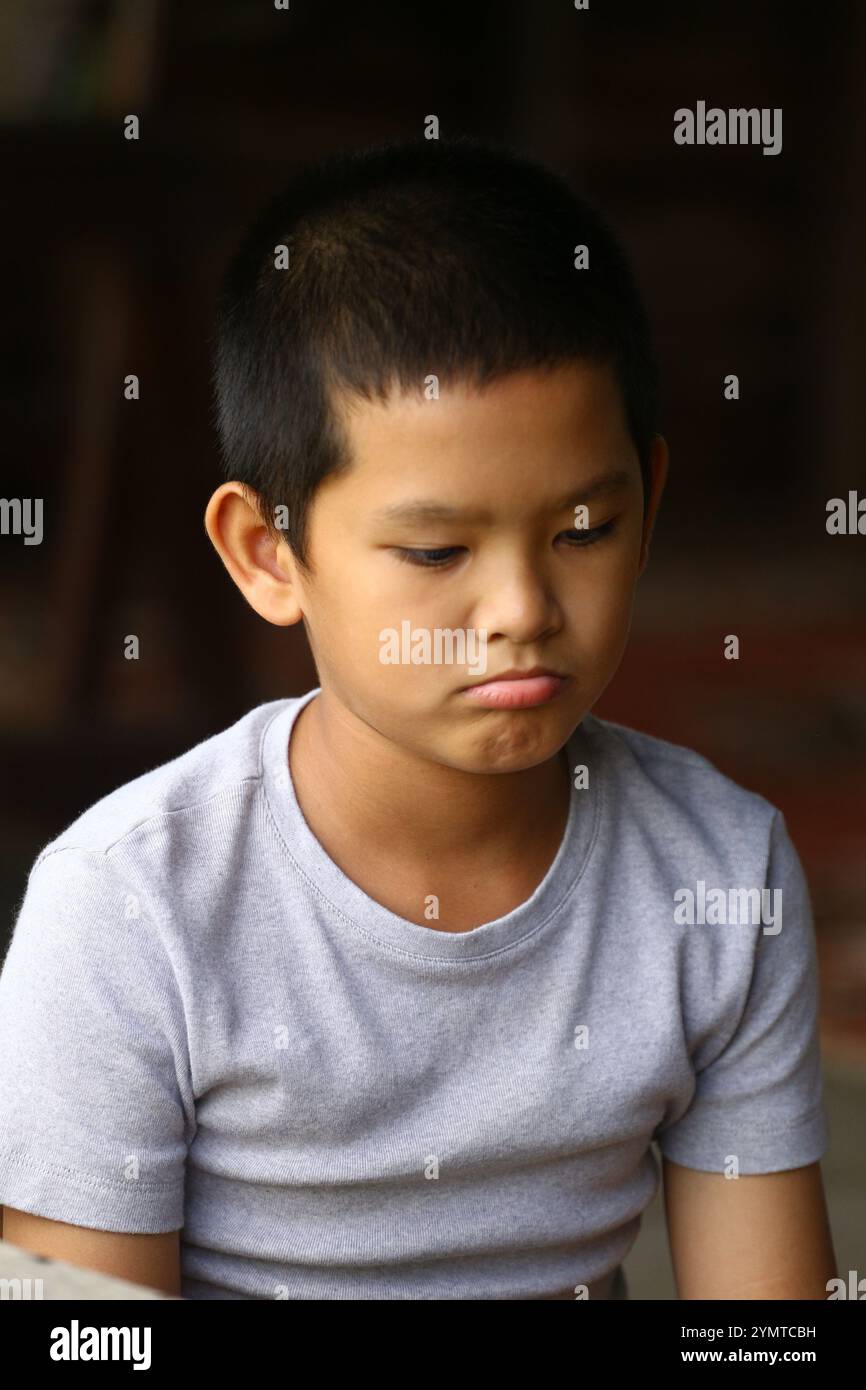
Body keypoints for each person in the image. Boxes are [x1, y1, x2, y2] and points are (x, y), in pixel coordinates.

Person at [0, 136, 836, 1299]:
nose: (520, 609)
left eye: (583, 529)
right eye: (437, 549)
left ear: (647, 504)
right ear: (268, 553)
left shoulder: (715, 871)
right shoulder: (133, 903)